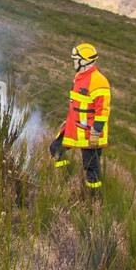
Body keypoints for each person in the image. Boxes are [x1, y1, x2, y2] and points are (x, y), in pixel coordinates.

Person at [49, 42, 111, 190]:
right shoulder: (78, 77)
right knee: (56, 148)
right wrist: (67, 122)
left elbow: (102, 110)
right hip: (74, 128)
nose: (74, 62)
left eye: (76, 59)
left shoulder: (99, 81)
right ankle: (64, 180)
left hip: (89, 133)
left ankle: (95, 199)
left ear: (84, 61)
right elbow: (76, 105)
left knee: (91, 167)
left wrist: (96, 132)